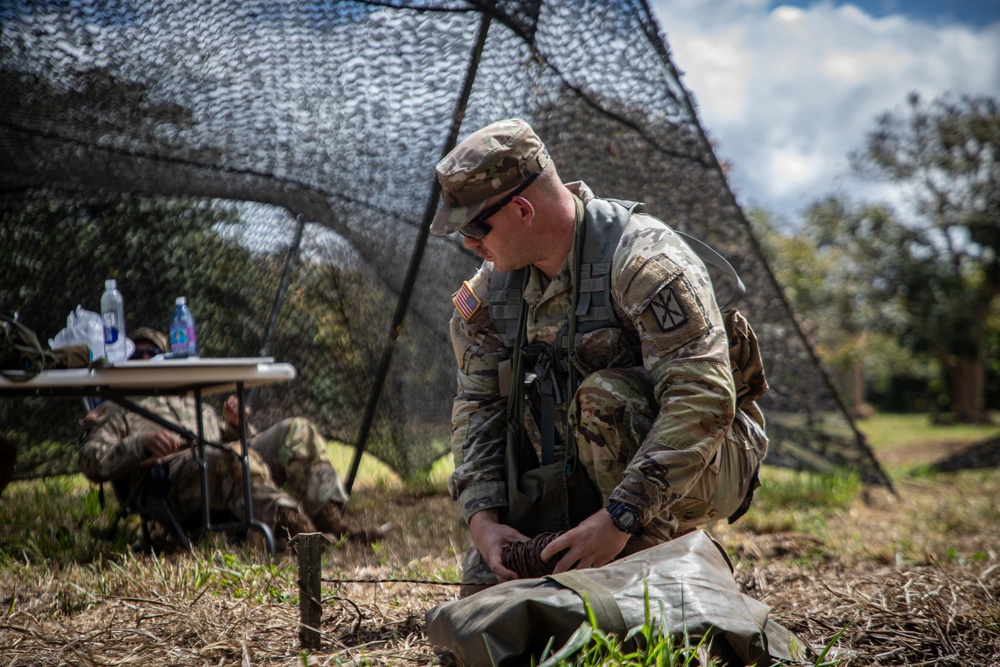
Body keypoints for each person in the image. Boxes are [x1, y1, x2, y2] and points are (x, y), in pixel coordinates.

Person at [430, 118, 769, 596]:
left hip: (703, 464)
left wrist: (620, 518)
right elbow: (478, 406)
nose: (469, 243)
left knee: (604, 397)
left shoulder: (644, 263)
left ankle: (652, 563)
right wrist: (483, 521)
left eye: (474, 226)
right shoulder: (489, 298)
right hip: (571, 469)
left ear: (523, 210)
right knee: (484, 606)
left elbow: (704, 397)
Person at [78, 327, 387, 550]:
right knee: (234, 454)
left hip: (221, 462)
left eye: (154, 353)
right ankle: (298, 533)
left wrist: (235, 427)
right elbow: (91, 460)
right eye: (138, 353)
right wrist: (141, 443)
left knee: (297, 430)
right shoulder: (116, 408)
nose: (146, 358)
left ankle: (335, 526)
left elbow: (229, 443)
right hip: (172, 482)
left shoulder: (190, 402)